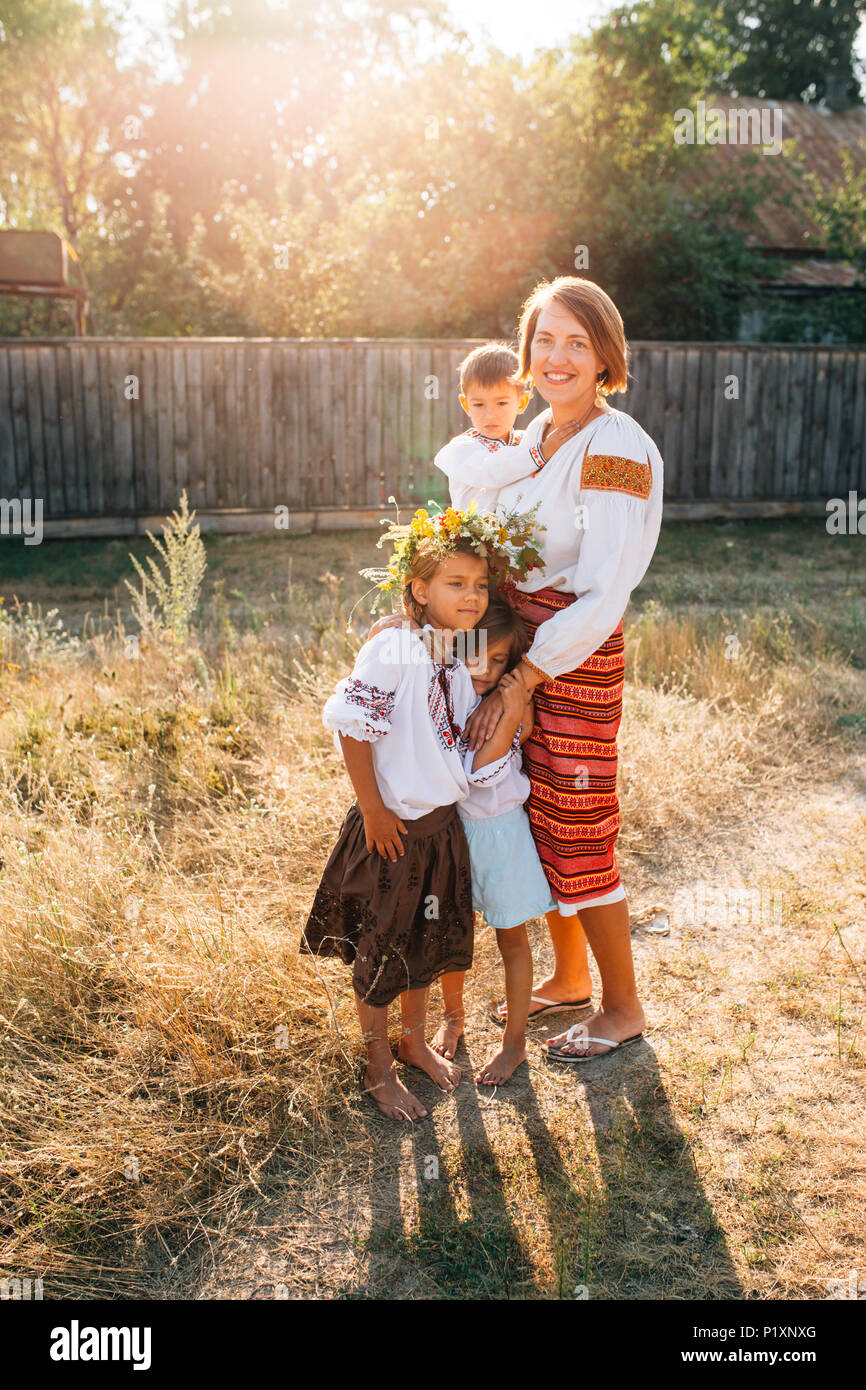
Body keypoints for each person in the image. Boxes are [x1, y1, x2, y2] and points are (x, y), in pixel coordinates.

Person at [452, 277, 665, 1063]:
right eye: (545, 339)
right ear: (525, 350)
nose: (558, 355)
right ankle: (570, 973)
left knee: (579, 824)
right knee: (535, 811)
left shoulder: (614, 446)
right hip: (518, 648)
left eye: (578, 341)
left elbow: (604, 589)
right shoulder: (534, 435)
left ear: (605, 355)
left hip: (568, 655)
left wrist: (522, 683)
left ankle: (623, 1007)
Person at [301, 504, 543, 1119]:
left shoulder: (455, 655)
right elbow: (353, 728)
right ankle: (378, 1068)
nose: (470, 596)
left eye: (480, 585)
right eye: (454, 584)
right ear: (418, 588)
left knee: (424, 943)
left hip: (441, 828)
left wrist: (513, 706)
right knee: (382, 953)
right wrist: (373, 810)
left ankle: (413, 1042)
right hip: (394, 828)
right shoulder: (396, 651)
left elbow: (456, 738)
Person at [430, 595, 557, 1085]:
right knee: (449, 935)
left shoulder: (512, 704)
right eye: (475, 652)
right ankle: (453, 1016)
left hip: (500, 838)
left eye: (500, 659)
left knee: (512, 942)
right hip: (452, 835)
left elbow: (481, 771)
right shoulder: (448, 695)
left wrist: (508, 701)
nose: (484, 667)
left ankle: (515, 1045)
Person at [434, 342, 582, 511]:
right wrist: (542, 452)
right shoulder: (460, 450)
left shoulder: (526, 440)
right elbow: (492, 471)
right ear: (466, 405)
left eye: (501, 403)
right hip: (473, 536)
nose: (490, 415)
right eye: (479, 405)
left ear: (522, 402)